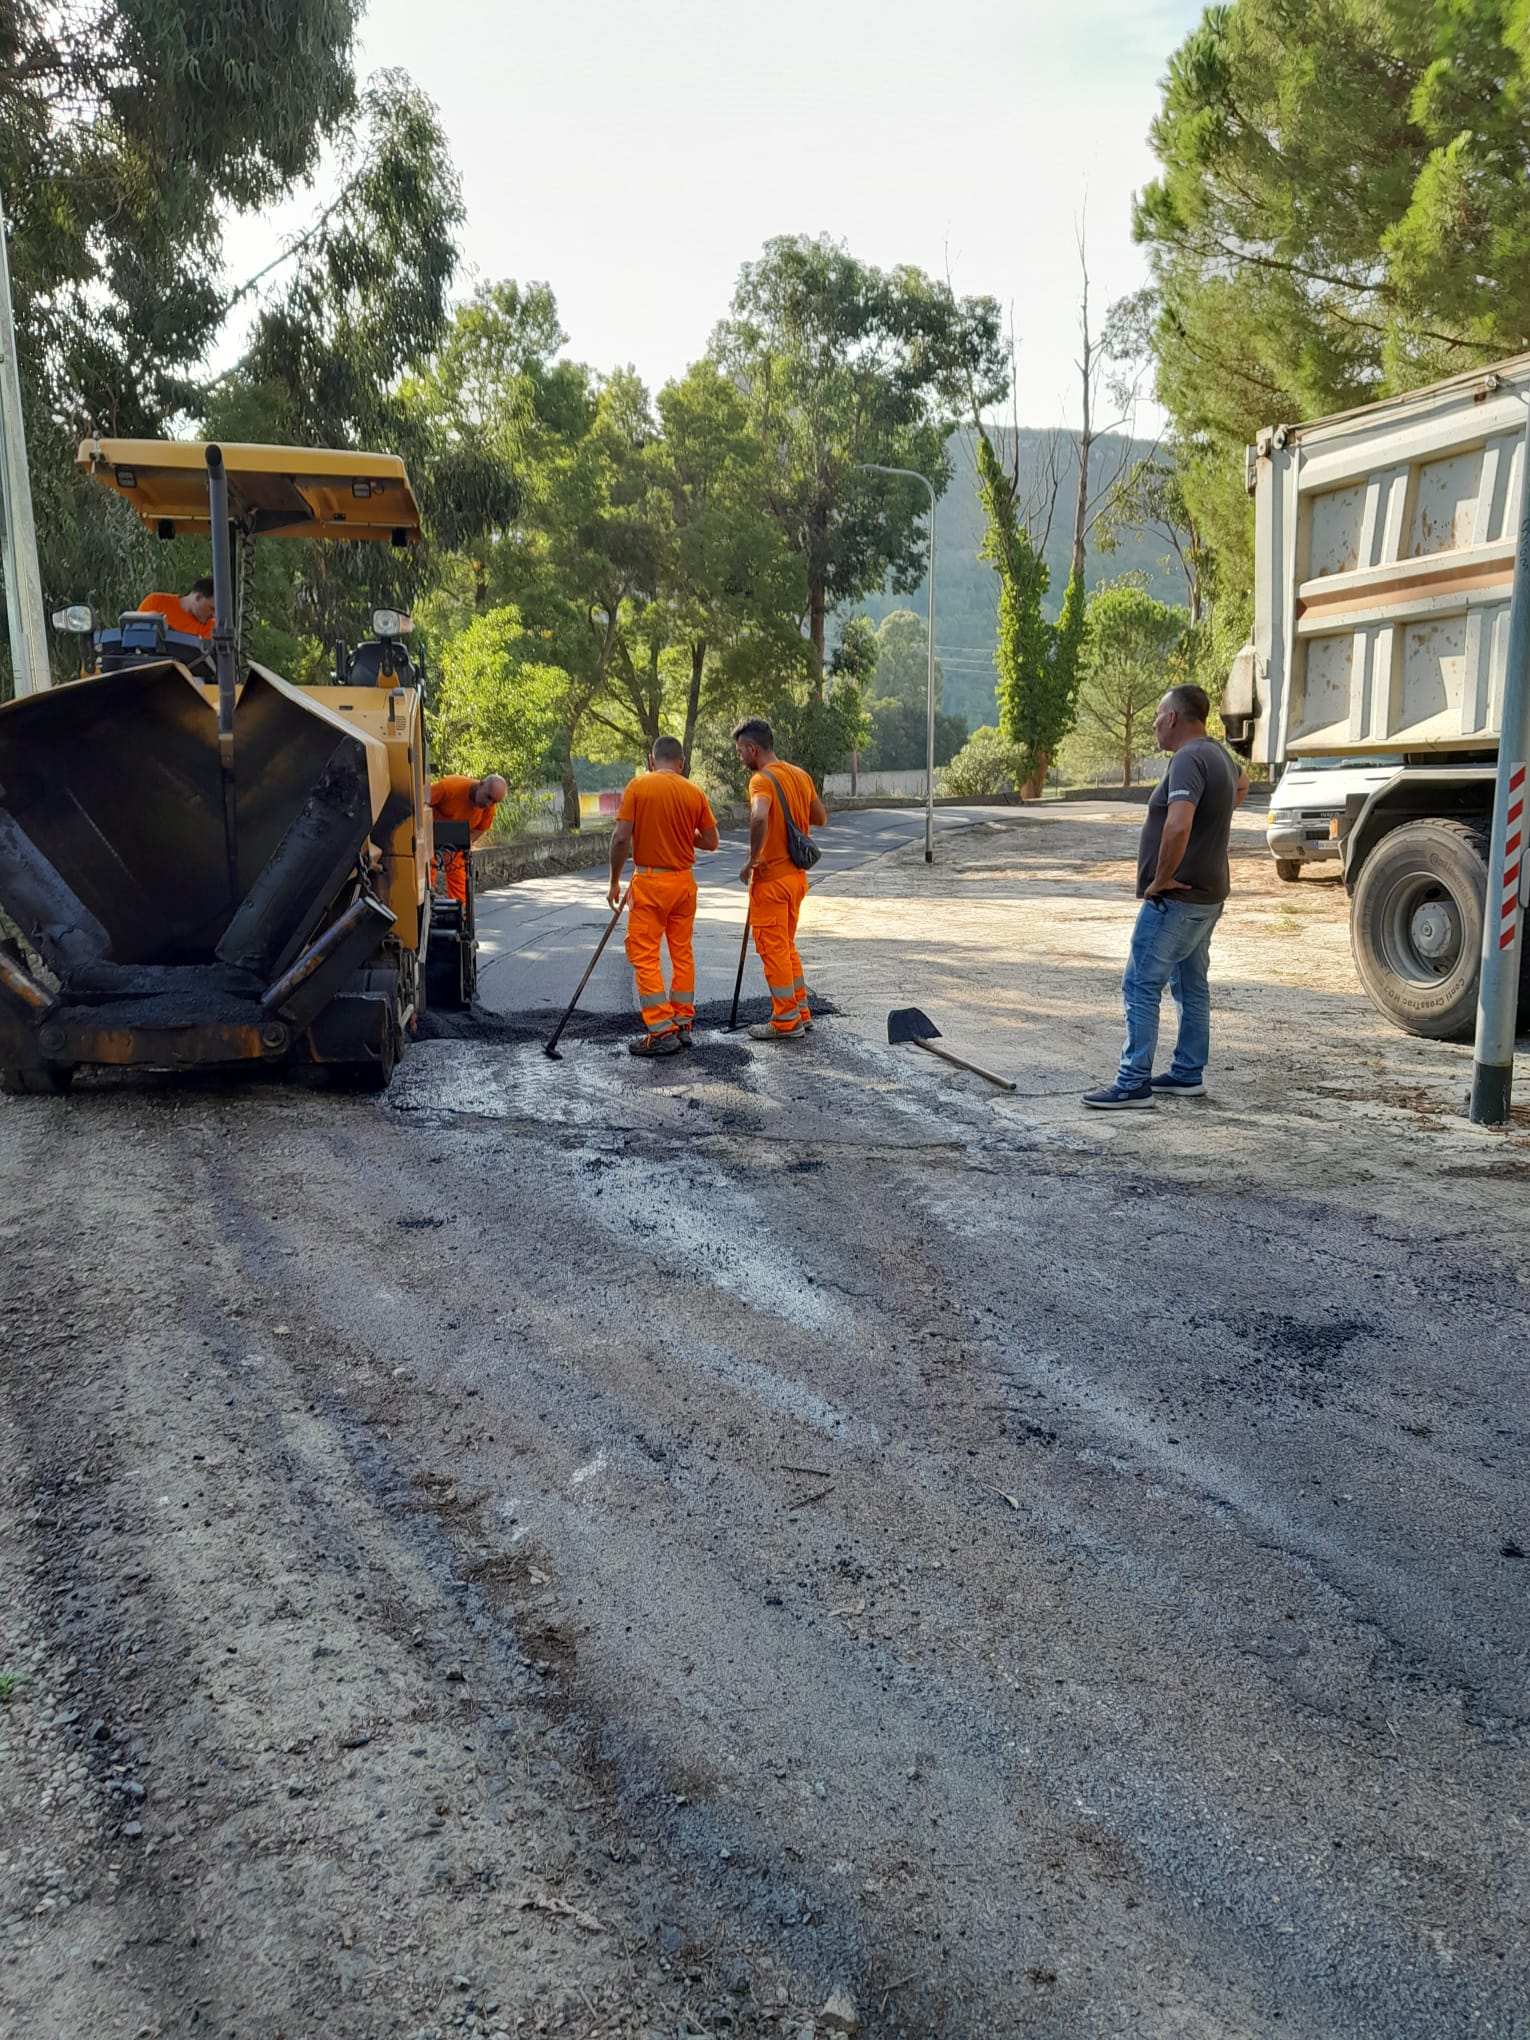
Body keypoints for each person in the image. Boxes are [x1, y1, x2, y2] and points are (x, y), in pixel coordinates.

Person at [1083, 684, 1249, 1109]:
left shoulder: (1189, 758)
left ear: (1173, 718)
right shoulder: (1220, 757)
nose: (1154, 724)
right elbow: (1241, 787)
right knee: (1190, 984)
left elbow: (1177, 824)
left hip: (1176, 898)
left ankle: (1132, 1080)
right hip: (1208, 894)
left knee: (1140, 983)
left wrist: (1161, 878)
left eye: (1158, 716)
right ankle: (1186, 1073)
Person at [607, 737, 719, 1057]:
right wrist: (685, 836)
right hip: (684, 884)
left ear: (652, 760)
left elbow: (620, 839)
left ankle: (660, 1028)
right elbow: (711, 841)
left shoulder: (639, 787)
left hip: (651, 883)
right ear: (681, 763)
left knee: (645, 955)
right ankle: (682, 1021)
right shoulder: (694, 792)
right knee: (682, 952)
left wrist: (614, 882)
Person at [732, 717, 826, 1044]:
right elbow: (820, 817)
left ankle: (785, 1021)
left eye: (740, 751)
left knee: (773, 950)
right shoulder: (800, 775)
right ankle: (800, 1011)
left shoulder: (761, 781)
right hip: (797, 879)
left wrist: (753, 857)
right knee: (786, 946)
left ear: (752, 748)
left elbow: (759, 815)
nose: (740, 757)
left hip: (771, 880)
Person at [428, 774, 508, 905]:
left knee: (459, 878)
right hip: (430, 836)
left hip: (456, 842)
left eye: (494, 802)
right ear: (481, 784)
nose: (488, 804)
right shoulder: (449, 787)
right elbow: (421, 805)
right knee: (427, 872)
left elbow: (480, 829)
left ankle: (460, 914)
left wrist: (466, 841)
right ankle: (424, 904)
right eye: (488, 797)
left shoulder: (489, 809)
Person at [138, 578, 215, 641]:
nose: (214, 615)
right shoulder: (156, 602)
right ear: (198, 597)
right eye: (212, 608)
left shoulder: (211, 627)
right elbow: (136, 635)